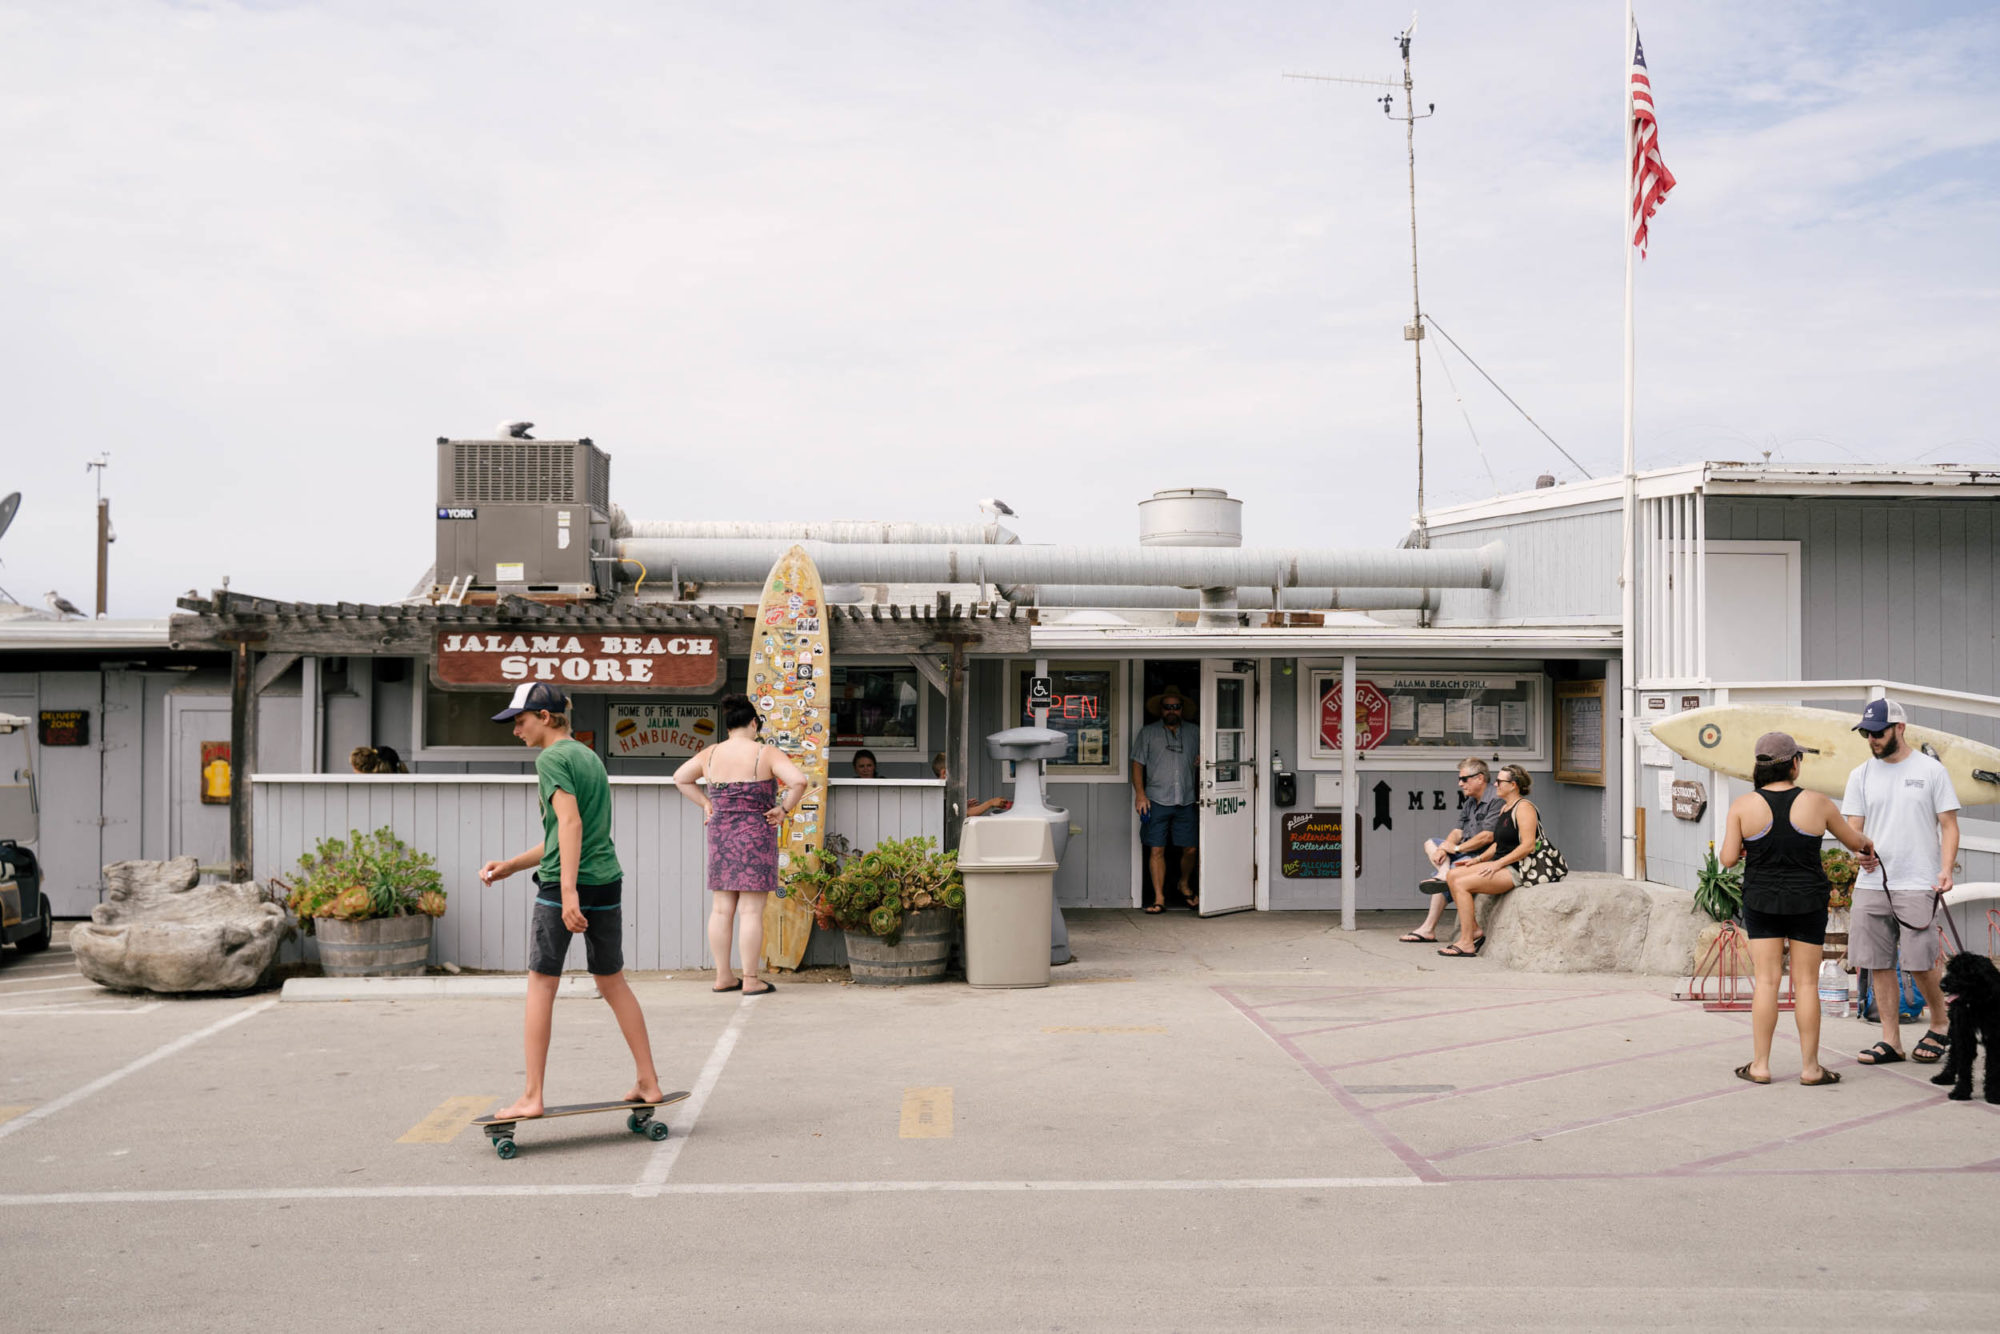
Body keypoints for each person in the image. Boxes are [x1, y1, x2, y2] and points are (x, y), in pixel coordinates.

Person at [477, 682, 663, 1120]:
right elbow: (564, 835)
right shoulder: (587, 756)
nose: (515, 730)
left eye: (519, 721)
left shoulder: (551, 758)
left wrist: (566, 894)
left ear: (544, 717)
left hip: (569, 885)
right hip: (606, 881)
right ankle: (648, 1081)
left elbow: (571, 824)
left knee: (541, 985)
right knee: (612, 981)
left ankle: (531, 1096)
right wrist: (511, 865)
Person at [1719, 731, 1875, 1086]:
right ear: (1794, 764)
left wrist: (1748, 845)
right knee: (1806, 983)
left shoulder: (1743, 806)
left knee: (1767, 981)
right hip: (1807, 900)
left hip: (1762, 899)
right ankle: (1810, 1068)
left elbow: (1728, 858)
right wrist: (1868, 846)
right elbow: (1855, 842)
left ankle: (1760, 1065)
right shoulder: (1818, 802)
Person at [1841, 698, 1959, 1067]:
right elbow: (1853, 830)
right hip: (1872, 883)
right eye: (1866, 733)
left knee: (1920, 962)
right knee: (1877, 963)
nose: (1872, 739)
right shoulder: (1860, 774)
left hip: (1918, 880)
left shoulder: (1931, 771)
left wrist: (1946, 869)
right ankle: (1890, 1041)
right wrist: (1858, 853)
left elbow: (1949, 825)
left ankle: (1941, 1024)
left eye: (1878, 732)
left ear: (1900, 728)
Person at [674, 693, 808, 997]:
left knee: (721, 909)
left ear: (728, 725)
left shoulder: (709, 754)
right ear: (754, 723)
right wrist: (784, 809)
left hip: (721, 833)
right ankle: (750, 979)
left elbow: (680, 778)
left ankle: (723, 976)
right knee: (750, 910)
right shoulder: (765, 752)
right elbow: (798, 781)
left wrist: (707, 803)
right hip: (755, 834)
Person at [1439, 765, 1540, 957]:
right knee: (1452, 875)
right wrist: (1477, 860)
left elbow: (1528, 846)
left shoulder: (1525, 808)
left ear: (1513, 785)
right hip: (1502, 863)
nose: (1495, 784)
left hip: (1519, 868)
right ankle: (1475, 930)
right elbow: (1497, 843)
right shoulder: (1505, 807)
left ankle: (1467, 942)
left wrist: (1497, 864)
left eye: (1500, 782)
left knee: (1461, 884)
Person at [1402, 757, 1504, 944]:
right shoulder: (1470, 802)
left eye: (1464, 779)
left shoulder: (1495, 799)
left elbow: (1487, 837)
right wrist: (1444, 848)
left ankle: (1428, 928)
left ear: (1480, 778)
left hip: (1482, 855)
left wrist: (1455, 848)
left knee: (1451, 873)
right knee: (1430, 843)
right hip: (1465, 850)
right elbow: (1457, 831)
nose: (1460, 783)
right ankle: (1443, 872)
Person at [1130, 684, 1200, 913]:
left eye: (1176, 707)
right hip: (1156, 798)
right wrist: (1140, 795)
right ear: (1161, 710)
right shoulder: (1148, 733)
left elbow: (1211, 758)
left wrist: (1204, 759)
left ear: (1182, 709)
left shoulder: (1195, 732)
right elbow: (1137, 764)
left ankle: (1183, 883)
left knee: (1190, 848)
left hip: (1187, 799)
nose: (1172, 710)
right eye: (1167, 707)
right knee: (1156, 849)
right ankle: (1159, 898)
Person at [932, 752, 1009, 817]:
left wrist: (963, 806)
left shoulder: (944, 791)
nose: (960, 775)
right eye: (957, 771)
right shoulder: (944, 793)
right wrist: (991, 803)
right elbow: (967, 813)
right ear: (944, 773)